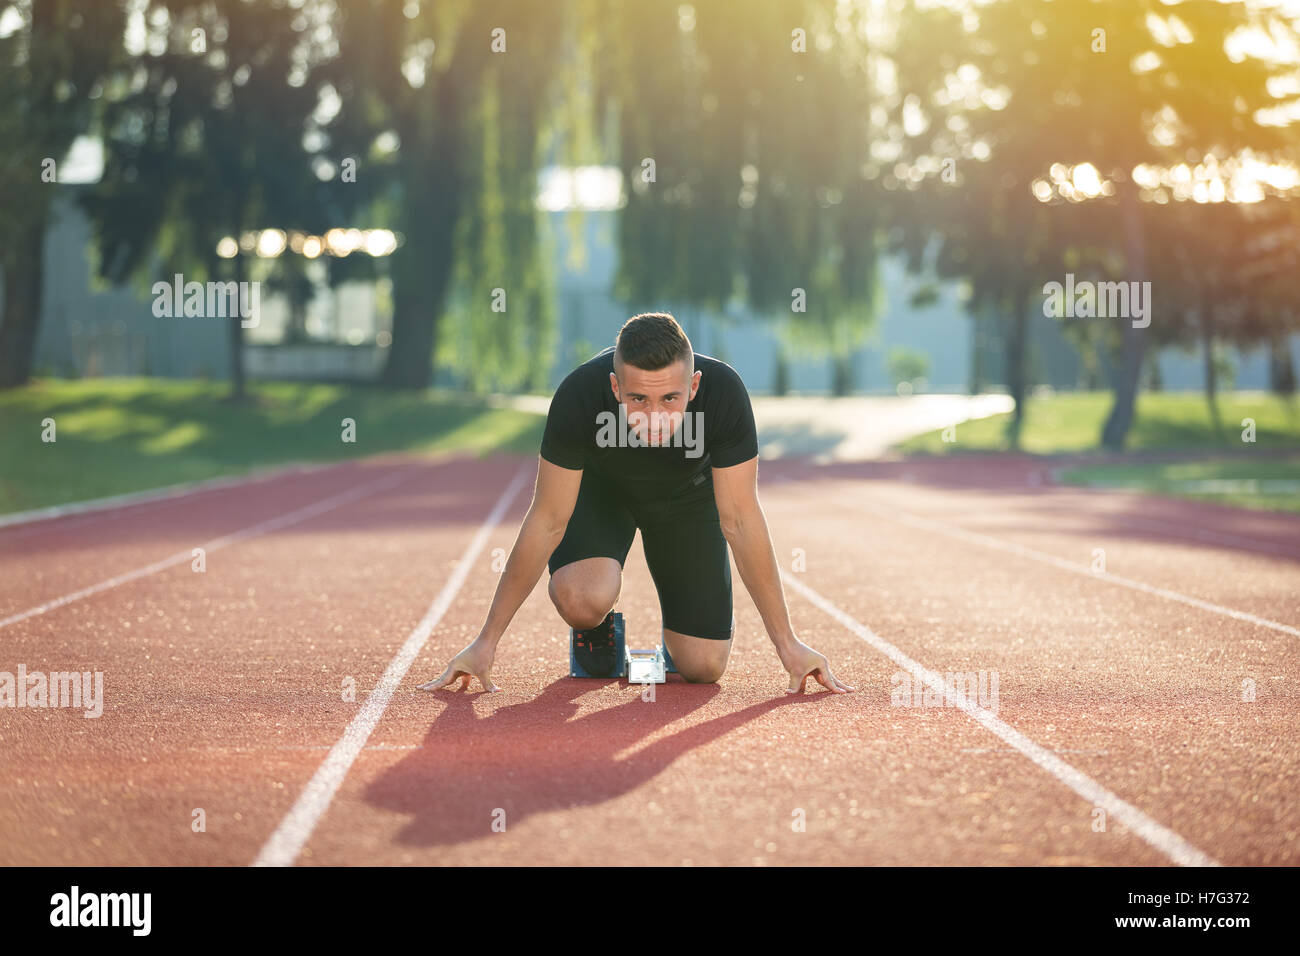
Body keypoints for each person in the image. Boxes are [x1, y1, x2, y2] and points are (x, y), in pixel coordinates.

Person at [418, 311, 853, 695]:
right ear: (615, 385)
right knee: (580, 599)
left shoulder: (724, 394)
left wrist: (788, 645)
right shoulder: (580, 396)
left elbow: (740, 518)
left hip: (687, 499)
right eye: (637, 399)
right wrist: (486, 642)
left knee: (703, 667)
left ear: (694, 385)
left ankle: (680, 637)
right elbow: (548, 519)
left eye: (670, 399)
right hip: (603, 494)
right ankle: (599, 630)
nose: (655, 416)